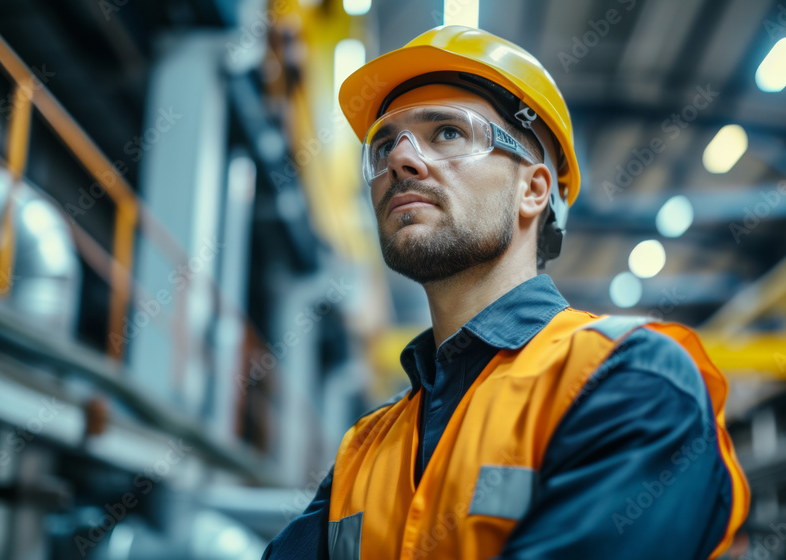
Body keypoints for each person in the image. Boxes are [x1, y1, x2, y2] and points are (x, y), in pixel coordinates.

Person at [264, 25, 749, 560]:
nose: (401, 159)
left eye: (447, 132)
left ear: (533, 189)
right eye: (384, 144)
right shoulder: (364, 449)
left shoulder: (630, 380)